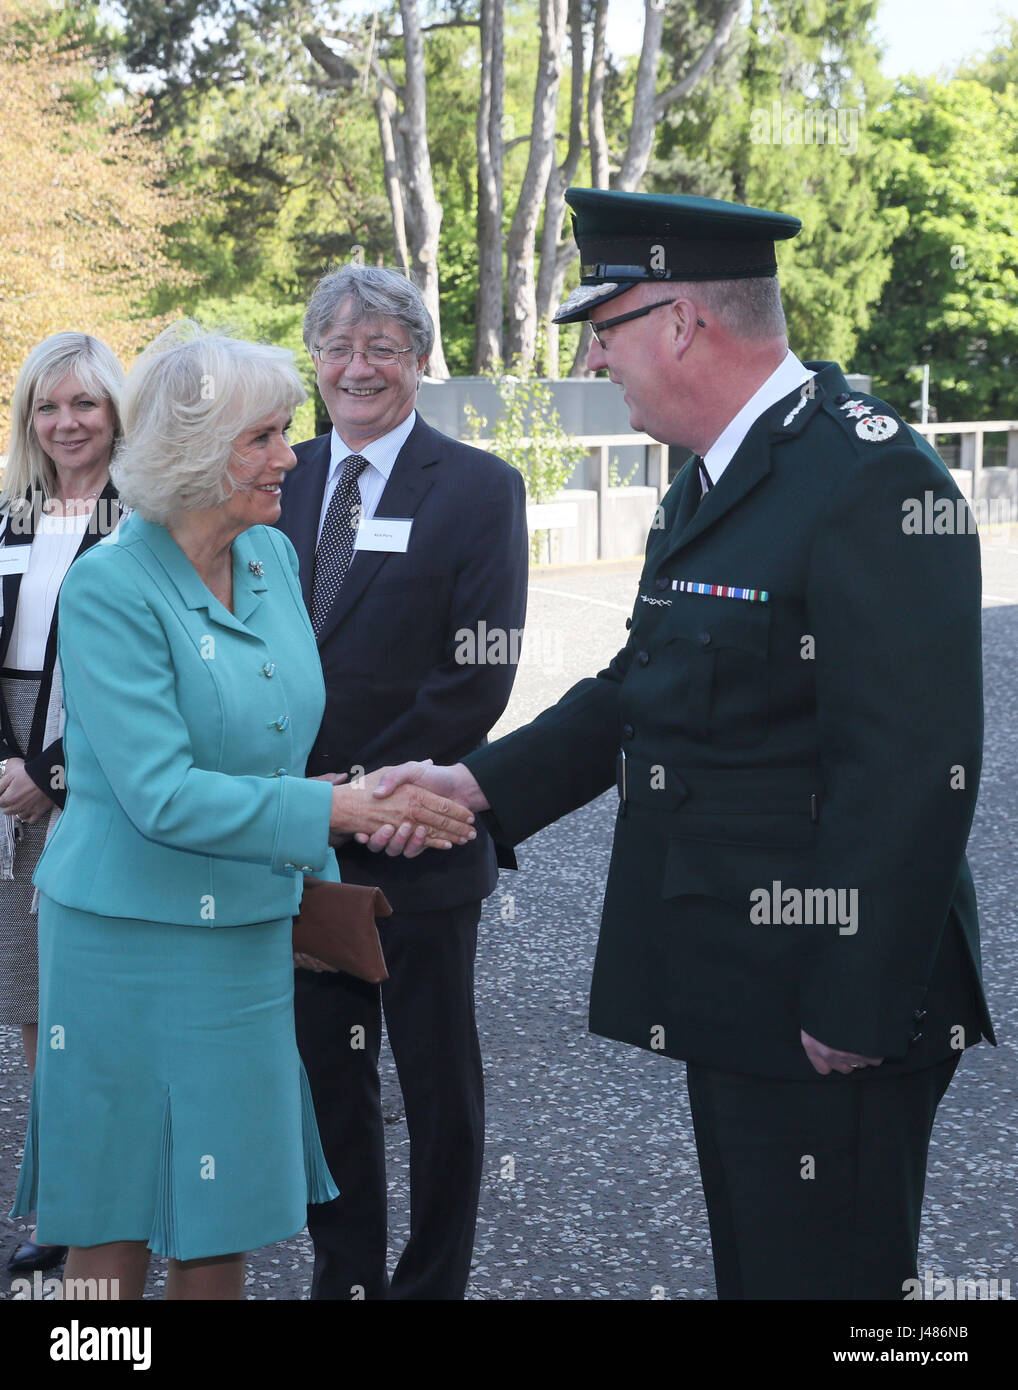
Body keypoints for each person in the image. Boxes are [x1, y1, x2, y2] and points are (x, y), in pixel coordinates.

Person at [370, 189, 995, 1300]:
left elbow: (911, 763)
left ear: (677, 322)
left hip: (830, 1000)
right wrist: (473, 782)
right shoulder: (713, 478)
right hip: (743, 980)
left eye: (604, 333)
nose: (599, 363)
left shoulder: (871, 479)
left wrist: (852, 1001)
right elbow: (638, 688)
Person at [9, 321, 475, 1300]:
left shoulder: (269, 560)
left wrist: (356, 805)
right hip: (123, 943)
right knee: (113, 1222)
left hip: (246, 936)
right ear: (192, 449)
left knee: (221, 1223)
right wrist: (334, 813)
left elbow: (276, 743)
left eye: (285, 431)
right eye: (264, 436)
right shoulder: (109, 586)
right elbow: (161, 793)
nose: (291, 456)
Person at [277, 264, 528, 1300]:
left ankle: (431, 1285)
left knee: (436, 1085)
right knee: (328, 1080)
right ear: (313, 362)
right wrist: (313, 797)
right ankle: (344, 1280)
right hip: (295, 837)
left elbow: (479, 667)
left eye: (381, 345)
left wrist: (376, 793)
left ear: (420, 357)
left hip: (419, 835)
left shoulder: (478, 487)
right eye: (336, 345)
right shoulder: (271, 478)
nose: (356, 365)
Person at [1, 333, 125, 1276]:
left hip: (91, 793)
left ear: (117, 410)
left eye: (85, 404)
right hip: (8, 794)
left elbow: (126, 680)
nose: (66, 423)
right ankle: (58, 1199)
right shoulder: (10, 514)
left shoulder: (144, 519)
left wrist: (50, 772)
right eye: (48, 406)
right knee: (32, 1010)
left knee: (82, 1016)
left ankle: (92, 1213)